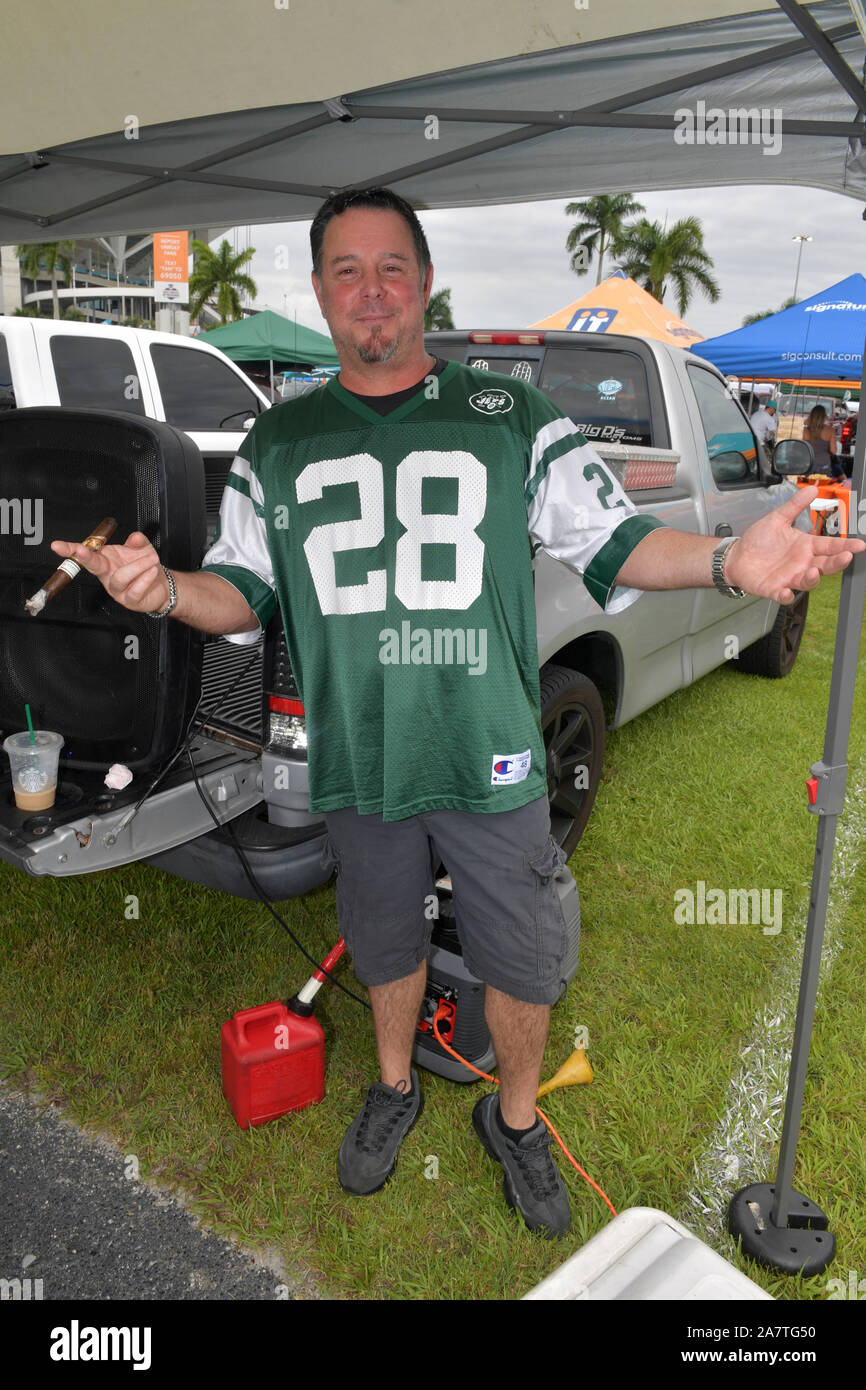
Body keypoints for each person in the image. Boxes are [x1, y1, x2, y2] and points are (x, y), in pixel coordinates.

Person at [49, 188, 864, 1238]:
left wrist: (723, 557)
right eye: (347, 270)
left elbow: (614, 545)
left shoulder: (507, 415)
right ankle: (392, 1085)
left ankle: (515, 1119)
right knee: (383, 942)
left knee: (518, 956)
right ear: (321, 293)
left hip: (488, 757)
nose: (371, 290)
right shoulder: (280, 440)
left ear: (425, 283)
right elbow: (239, 595)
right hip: (362, 759)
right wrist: (161, 591)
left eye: (392, 267)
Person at [802, 405, 841, 479]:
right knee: (823, 488)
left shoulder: (804, 430)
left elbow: (799, 450)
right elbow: (833, 451)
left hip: (807, 464)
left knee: (807, 487)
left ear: (811, 415)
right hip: (824, 465)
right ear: (824, 416)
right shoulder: (830, 431)